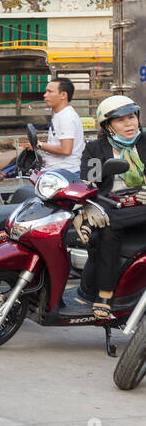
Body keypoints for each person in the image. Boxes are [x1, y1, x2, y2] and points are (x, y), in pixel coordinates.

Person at [77, 96, 146, 321]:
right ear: (107, 126)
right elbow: (91, 184)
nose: (130, 124)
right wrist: (90, 206)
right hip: (114, 207)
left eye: (132, 117)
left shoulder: (145, 142)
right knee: (108, 227)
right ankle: (105, 294)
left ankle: (104, 294)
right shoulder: (96, 148)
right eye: (121, 120)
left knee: (108, 221)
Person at [20, 77, 85, 173]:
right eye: (46, 92)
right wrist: (48, 161)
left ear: (63, 95)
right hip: (58, 171)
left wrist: (39, 145)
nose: (45, 95)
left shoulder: (66, 117)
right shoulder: (60, 115)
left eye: (50, 92)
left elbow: (66, 150)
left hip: (65, 173)